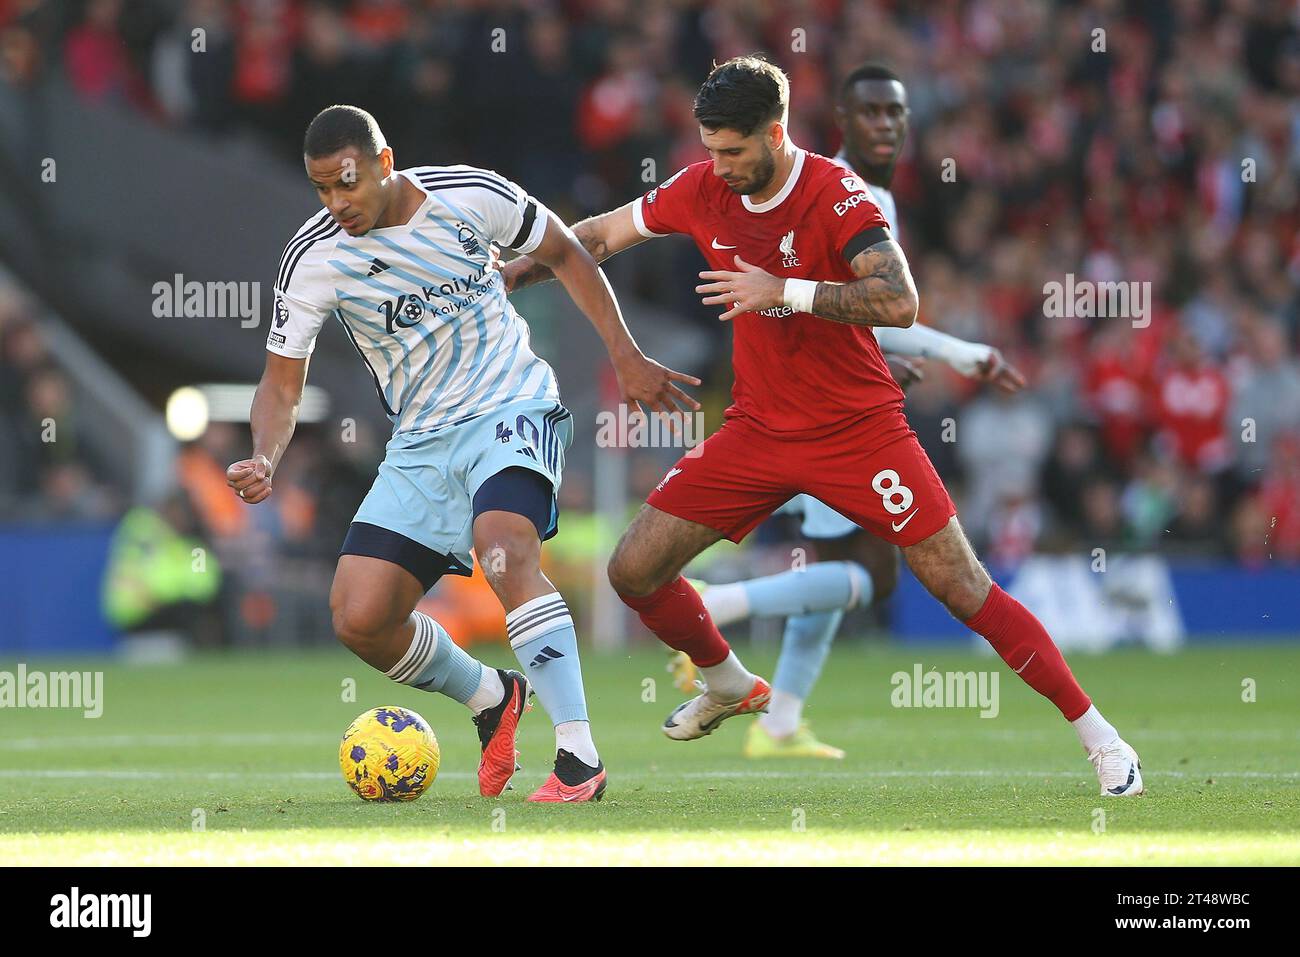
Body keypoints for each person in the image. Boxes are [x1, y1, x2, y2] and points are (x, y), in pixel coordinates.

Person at [502, 58, 1143, 797]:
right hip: (757, 431)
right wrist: (523, 267)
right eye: (710, 150)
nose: (720, 167)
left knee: (963, 586)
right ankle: (728, 682)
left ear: (775, 133)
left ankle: (1103, 740)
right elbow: (602, 237)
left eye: (734, 152)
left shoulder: (836, 194)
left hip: (858, 430)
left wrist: (786, 291)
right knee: (632, 569)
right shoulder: (702, 186)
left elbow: (898, 301)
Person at [226, 105, 698, 802]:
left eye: (347, 183)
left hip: (510, 403)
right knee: (360, 615)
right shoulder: (313, 257)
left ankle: (578, 755)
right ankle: (490, 694)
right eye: (321, 188)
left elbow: (566, 250)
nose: (336, 203)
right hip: (420, 440)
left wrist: (625, 355)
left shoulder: (469, 194)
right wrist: (266, 453)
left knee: (503, 545)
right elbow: (280, 380)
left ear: (385, 163)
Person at [666, 63, 1030, 760]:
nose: (885, 126)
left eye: (896, 113)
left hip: (831, 401)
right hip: (822, 410)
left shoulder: (857, 192)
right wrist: (962, 352)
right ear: (840, 117)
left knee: (847, 572)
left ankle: (778, 721)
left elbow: (868, 313)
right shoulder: (839, 191)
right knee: (873, 574)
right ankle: (718, 606)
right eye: (870, 113)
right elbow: (859, 305)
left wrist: (956, 355)